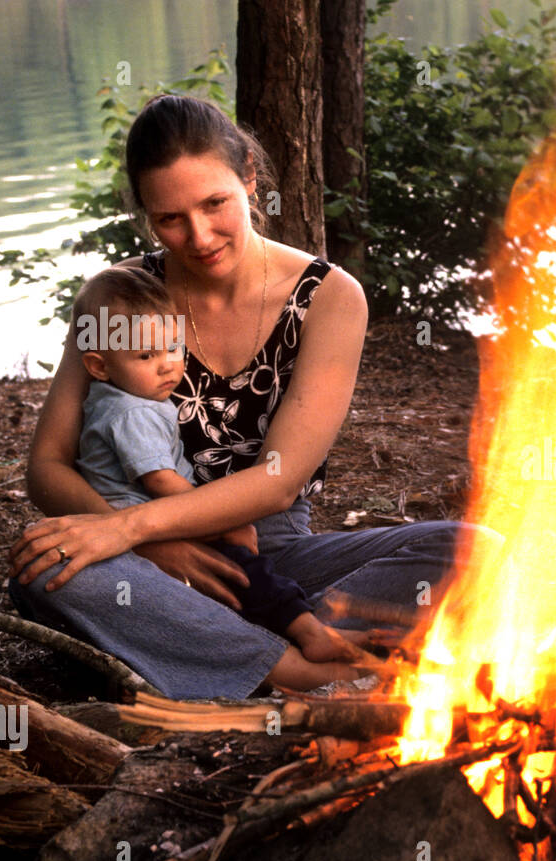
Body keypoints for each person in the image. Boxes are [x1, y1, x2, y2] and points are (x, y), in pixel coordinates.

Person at [9, 94, 484, 699]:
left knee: (476, 552)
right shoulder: (119, 296)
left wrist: (135, 530)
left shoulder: (328, 297)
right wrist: (151, 545)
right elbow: (46, 466)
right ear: (147, 217)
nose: (199, 236)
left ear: (250, 180)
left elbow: (279, 482)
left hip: (272, 550)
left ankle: (212, 638)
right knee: (45, 570)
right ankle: (285, 662)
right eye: (170, 219)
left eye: (215, 204)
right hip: (138, 558)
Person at [69, 265, 369, 684]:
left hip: (158, 524)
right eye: (145, 356)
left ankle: (265, 629)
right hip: (150, 528)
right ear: (99, 366)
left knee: (465, 547)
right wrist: (224, 522)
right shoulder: (132, 412)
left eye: (173, 347)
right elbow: (158, 481)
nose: (166, 367)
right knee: (244, 571)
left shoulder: (121, 396)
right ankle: (305, 638)